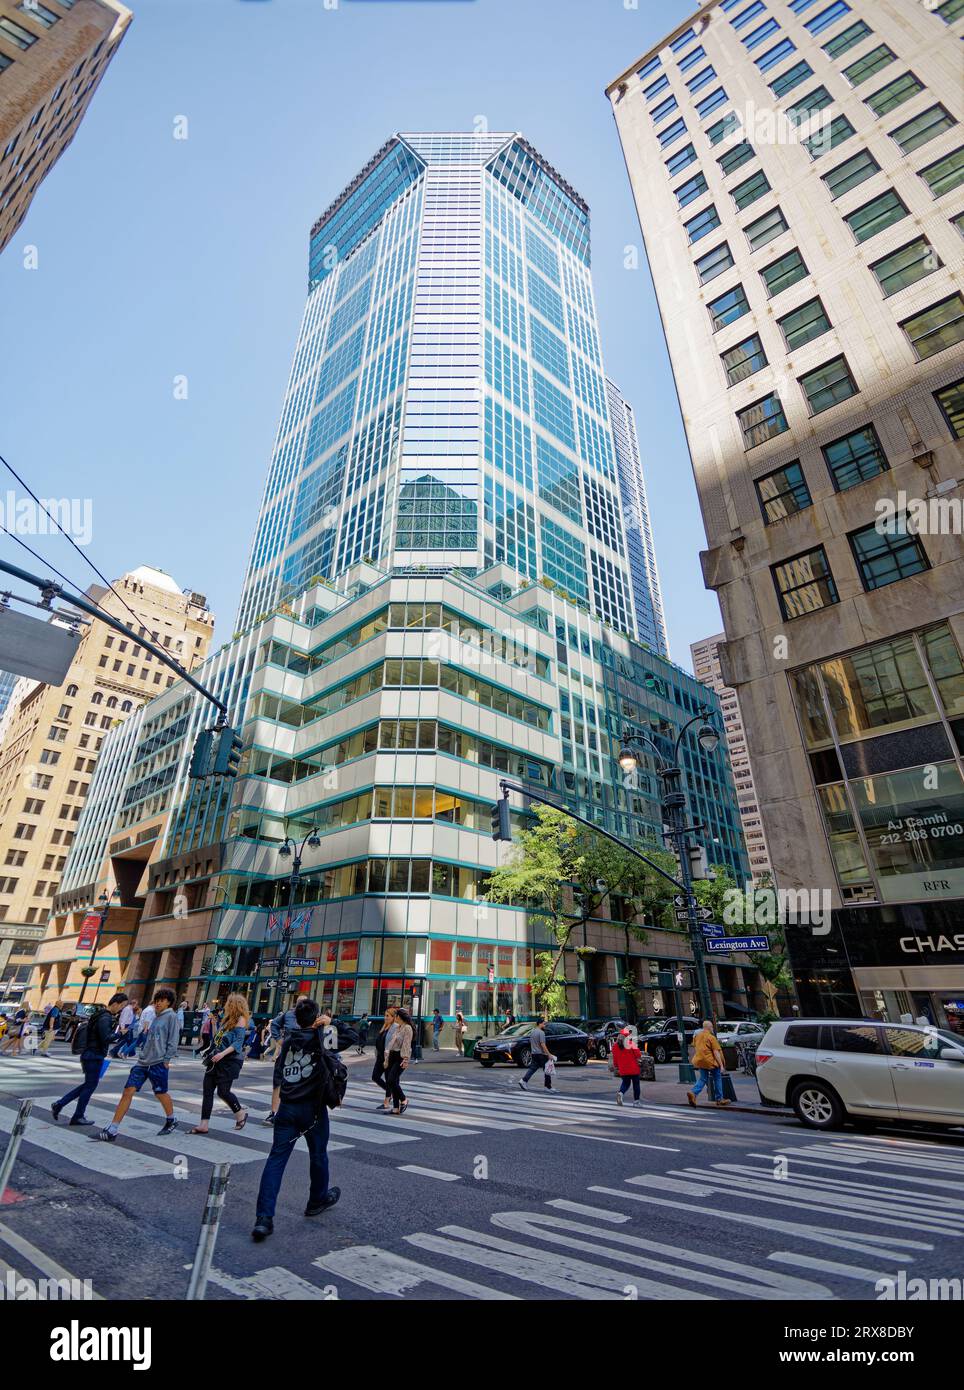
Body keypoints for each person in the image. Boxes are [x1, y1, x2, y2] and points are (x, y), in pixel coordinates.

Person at [251, 997, 341, 1242]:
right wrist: (331, 1023)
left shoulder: (289, 1040)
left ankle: (264, 1218)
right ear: (317, 1017)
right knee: (319, 1154)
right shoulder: (322, 1038)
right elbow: (350, 1038)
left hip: (288, 1108)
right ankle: (316, 1199)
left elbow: (279, 1074)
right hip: (313, 1109)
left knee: (276, 1160)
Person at [97, 988, 181, 1141]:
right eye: (156, 1000)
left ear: (169, 1002)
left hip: (158, 1062)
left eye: (161, 1000)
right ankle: (113, 1128)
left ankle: (171, 1119)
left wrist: (167, 1059)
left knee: (160, 1093)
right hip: (143, 1062)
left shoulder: (171, 1017)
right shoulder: (156, 1016)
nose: (158, 1003)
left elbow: (173, 1039)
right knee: (128, 1090)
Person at [52, 994, 128, 1126]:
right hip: (94, 1055)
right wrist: (120, 1033)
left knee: (88, 1084)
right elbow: (106, 1037)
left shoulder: (100, 1014)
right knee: (90, 1086)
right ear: (115, 1003)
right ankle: (76, 1115)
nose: (121, 1009)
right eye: (122, 1005)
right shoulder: (105, 1017)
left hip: (91, 1054)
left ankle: (61, 1105)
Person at [190, 992, 249, 1133]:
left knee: (223, 1092)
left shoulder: (240, 1019)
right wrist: (215, 1026)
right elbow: (217, 1040)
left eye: (229, 1003)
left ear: (235, 1005)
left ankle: (240, 1113)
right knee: (208, 1091)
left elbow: (238, 1043)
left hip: (229, 1061)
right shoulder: (226, 1020)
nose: (226, 1005)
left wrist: (222, 1054)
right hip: (216, 1059)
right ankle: (204, 1124)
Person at [687, 1019, 730, 1108]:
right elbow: (716, 1052)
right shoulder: (711, 1037)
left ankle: (693, 1093)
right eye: (712, 1027)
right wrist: (721, 1065)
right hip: (711, 1061)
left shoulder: (697, 1036)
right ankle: (719, 1099)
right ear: (710, 1028)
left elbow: (695, 1046)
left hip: (700, 1061)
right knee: (717, 1078)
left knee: (703, 1078)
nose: (712, 1028)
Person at [384, 1007, 413, 1115]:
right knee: (392, 1082)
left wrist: (405, 1059)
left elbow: (406, 1044)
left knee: (392, 1080)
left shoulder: (407, 1028)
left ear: (399, 1017)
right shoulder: (398, 1028)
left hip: (400, 1056)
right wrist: (386, 1058)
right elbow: (391, 1043)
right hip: (392, 1055)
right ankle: (396, 1107)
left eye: (396, 1016)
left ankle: (404, 1099)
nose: (395, 1018)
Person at [611, 1026, 643, 1107]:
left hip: (623, 1069)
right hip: (633, 1068)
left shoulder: (615, 1046)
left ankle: (621, 1093)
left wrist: (616, 1066)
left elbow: (615, 1058)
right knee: (636, 1084)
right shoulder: (631, 1044)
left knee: (625, 1083)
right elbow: (638, 1054)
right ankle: (636, 1102)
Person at [518, 1017, 554, 1091]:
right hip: (541, 1054)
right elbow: (543, 1044)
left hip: (534, 1053)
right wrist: (549, 1054)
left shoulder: (533, 1032)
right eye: (544, 1024)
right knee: (547, 1069)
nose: (545, 1025)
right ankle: (548, 1087)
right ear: (540, 1024)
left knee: (532, 1068)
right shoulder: (541, 1033)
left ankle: (523, 1081)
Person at [371, 1007, 397, 1109]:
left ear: (393, 1017)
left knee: (388, 1078)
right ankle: (392, 1093)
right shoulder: (385, 1026)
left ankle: (387, 1101)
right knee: (375, 1077)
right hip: (380, 1057)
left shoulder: (395, 1027)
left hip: (388, 1057)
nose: (385, 1018)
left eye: (387, 1016)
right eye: (385, 1015)